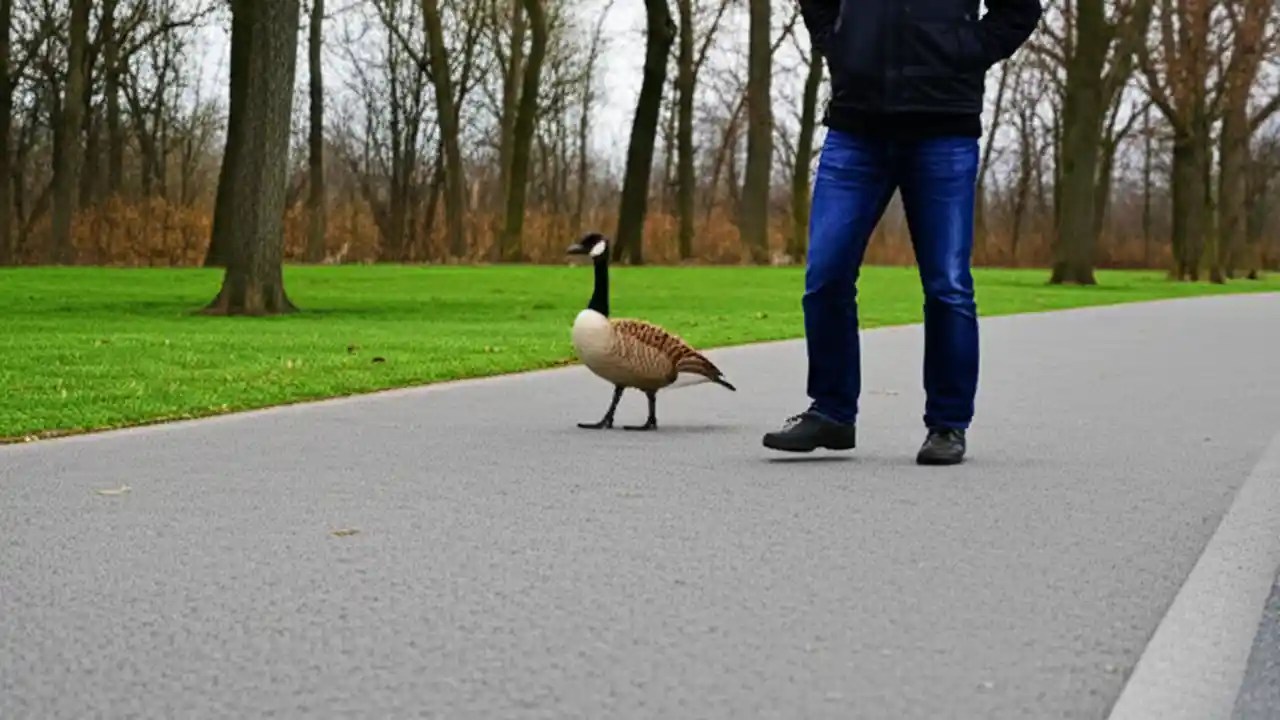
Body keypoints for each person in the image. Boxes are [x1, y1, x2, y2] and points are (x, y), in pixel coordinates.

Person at [762, 0, 1042, 465]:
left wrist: (962, 52)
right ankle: (831, 412)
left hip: (943, 125)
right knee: (826, 274)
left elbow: (1019, 10)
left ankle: (947, 425)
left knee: (947, 285)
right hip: (856, 124)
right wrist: (841, 46)